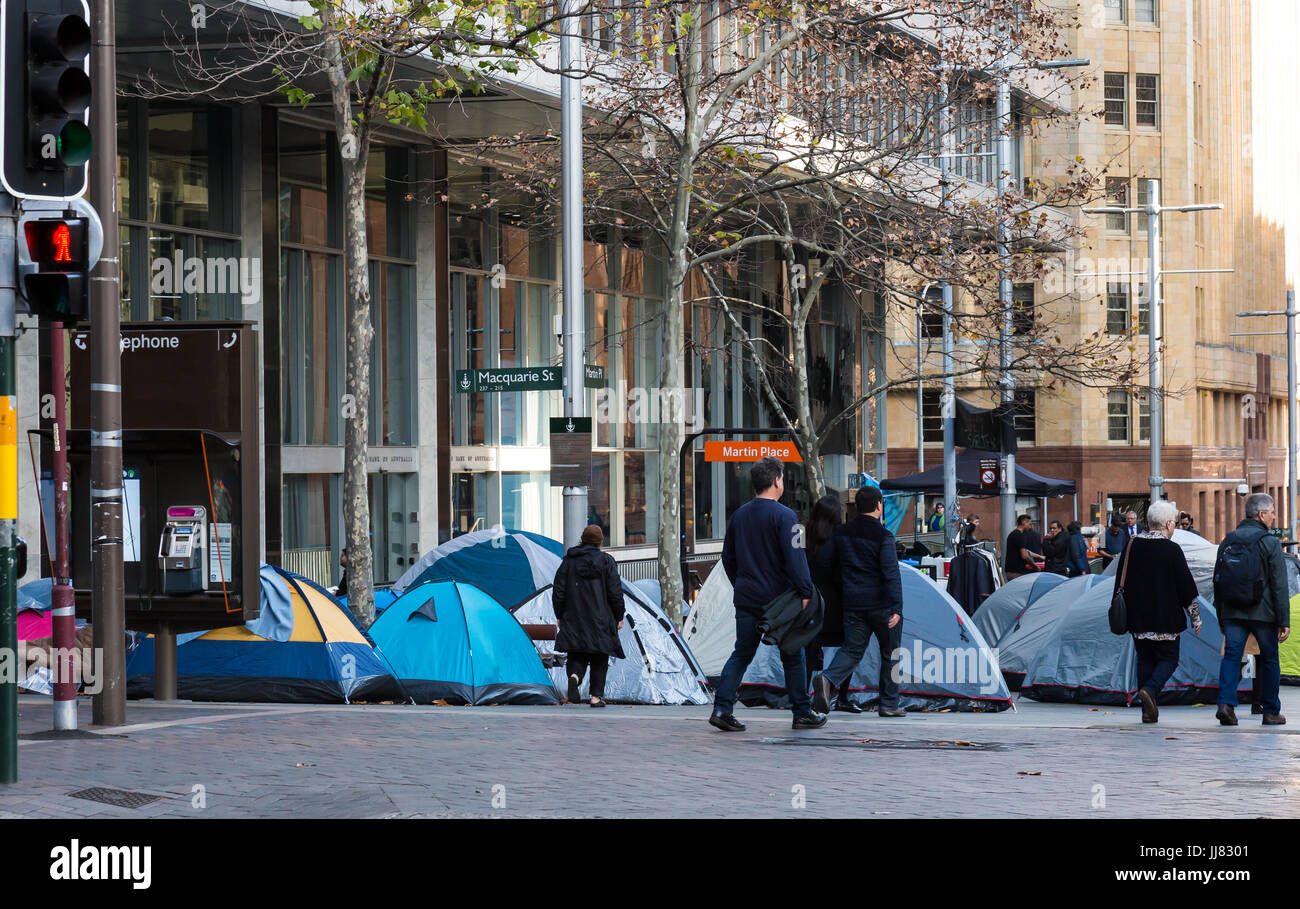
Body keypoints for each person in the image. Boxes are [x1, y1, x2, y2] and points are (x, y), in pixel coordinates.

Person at [710, 457, 826, 732]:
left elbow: (728, 557)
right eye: (782, 478)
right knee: (793, 653)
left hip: (747, 596)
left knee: (742, 653)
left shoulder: (738, 516)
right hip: (780, 601)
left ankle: (722, 707)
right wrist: (805, 590)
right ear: (777, 481)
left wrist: (742, 582)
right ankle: (801, 710)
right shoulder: (788, 516)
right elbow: (796, 557)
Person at [812, 485, 907, 718]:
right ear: (878, 506)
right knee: (891, 653)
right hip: (882, 605)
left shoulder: (842, 532)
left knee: (852, 650)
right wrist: (897, 607)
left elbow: (823, 562)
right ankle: (889, 704)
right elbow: (890, 573)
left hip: (853, 603)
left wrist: (844, 580)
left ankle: (827, 678)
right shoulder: (883, 536)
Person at [1113, 500, 1202, 723]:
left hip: (1137, 616)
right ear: (1169, 523)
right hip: (1165, 616)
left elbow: (1119, 581)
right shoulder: (1171, 549)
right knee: (1169, 658)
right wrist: (1196, 617)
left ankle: (1147, 710)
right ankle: (1151, 690)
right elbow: (1185, 586)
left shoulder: (1132, 544)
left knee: (1145, 659)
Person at [1214, 493, 1291, 727]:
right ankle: (1270, 711)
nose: (1274, 516)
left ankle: (1226, 704)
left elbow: (1217, 580)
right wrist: (1283, 620)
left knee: (1232, 657)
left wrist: (1221, 615)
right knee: (1269, 660)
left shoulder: (1228, 540)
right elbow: (1279, 584)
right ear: (1261, 514)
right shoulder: (1269, 543)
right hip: (1263, 614)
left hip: (1232, 612)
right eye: (1272, 512)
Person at [553, 524, 626, 708]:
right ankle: (595, 697)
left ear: (582, 539)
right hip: (601, 618)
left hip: (574, 617)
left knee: (576, 653)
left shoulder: (569, 561)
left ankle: (575, 677)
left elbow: (558, 591)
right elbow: (615, 592)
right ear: (600, 542)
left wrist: (559, 614)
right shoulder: (606, 562)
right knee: (600, 657)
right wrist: (619, 615)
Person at [805, 495, 857, 712]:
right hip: (836, 601)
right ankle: (841, 695)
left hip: (811, 601)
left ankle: (800, 696)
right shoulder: (840, 537)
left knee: (809, 650)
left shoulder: (805, 535)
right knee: (849, 647)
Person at [1003, 515, 1042, 579]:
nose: (1030, 527)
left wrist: (1039, 556)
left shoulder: (1012, 534)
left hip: (1010, 571)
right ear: (1023, 522)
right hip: (1017, 572)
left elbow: (1024, 551)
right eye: (1029, 524)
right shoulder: (1020, 536)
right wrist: (1035, 567)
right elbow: (1025, 556)